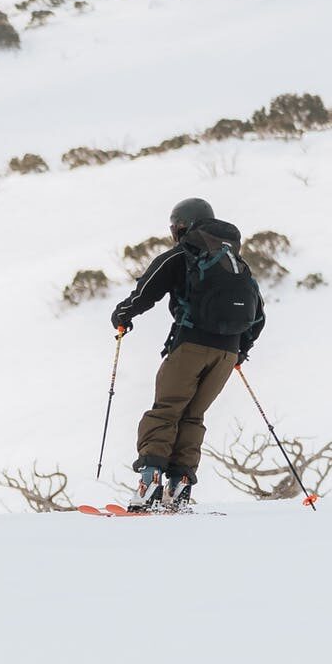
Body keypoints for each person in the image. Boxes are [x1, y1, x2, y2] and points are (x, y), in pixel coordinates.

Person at [111, 197, 265, 510]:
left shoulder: (181, 256)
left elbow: (146, 292)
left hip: (190, 345)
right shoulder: (236, 262)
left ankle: (149, 483)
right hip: (226, 352)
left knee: (166, 409)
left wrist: (122, 315)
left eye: (176, 227)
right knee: (193, 415)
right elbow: (258, 315)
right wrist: (239, 352)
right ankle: (179, 486)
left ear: (184, 225)